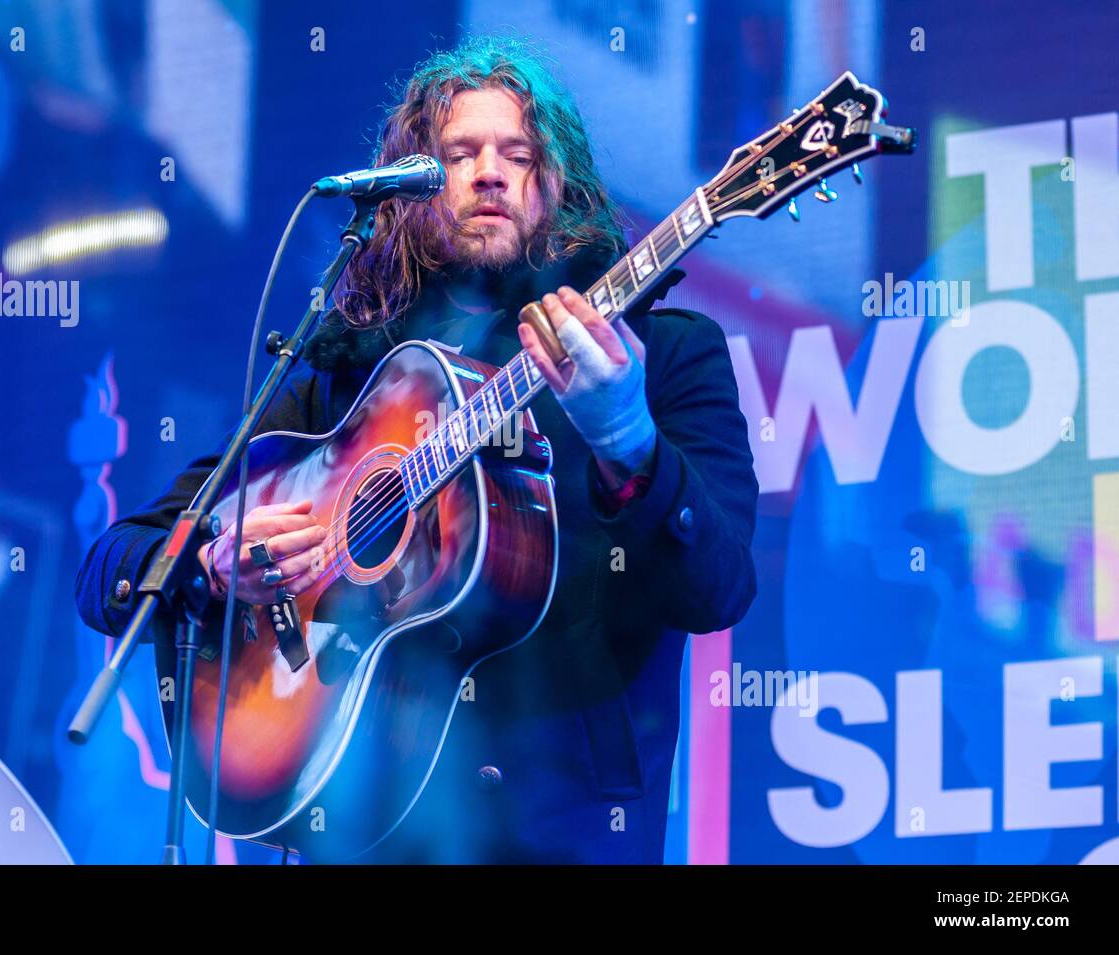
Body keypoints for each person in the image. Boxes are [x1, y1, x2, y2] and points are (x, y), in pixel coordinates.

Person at [75, 35, 758, 864]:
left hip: (560, 835)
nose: (491, 174)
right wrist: (216, 561)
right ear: (414, 192)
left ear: (559, 183)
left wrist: (628, 439)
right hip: (365, 830)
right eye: (459, 156)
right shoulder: (344, 376)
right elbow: (115, 563)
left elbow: (719, 588)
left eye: (520, 154)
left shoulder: (664, 354)